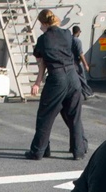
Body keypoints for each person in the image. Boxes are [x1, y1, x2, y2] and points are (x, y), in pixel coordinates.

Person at [25, 10, 86, 160]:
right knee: (74, 116)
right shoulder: (67, 33)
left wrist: (37, 83)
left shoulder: (43, 39)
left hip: (57, 78)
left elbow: (42, 64)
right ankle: (78, 151)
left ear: (44, 23)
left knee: (45, 116)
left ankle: (39, 151)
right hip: (73, 77)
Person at [70, 25, 94, 99]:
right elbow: (81, 54)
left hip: (70, 62)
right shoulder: (77, 41)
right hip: (76, 63)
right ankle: (87, 93)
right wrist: (86, 65)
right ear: (78, 32)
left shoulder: (69, 39)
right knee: (82, 78)